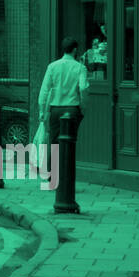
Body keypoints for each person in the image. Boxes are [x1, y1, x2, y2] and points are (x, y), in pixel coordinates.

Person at [38, 36, 90, 181]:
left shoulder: (52, 66)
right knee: (70, 144)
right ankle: (67, 178)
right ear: (75, 50)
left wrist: (42, 110)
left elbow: (44, 91)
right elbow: (83, 88)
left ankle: (52, 176)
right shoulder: (80, 68)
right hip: (72, 109)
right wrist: (83, 106)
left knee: (54, 143)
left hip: (55, 110)